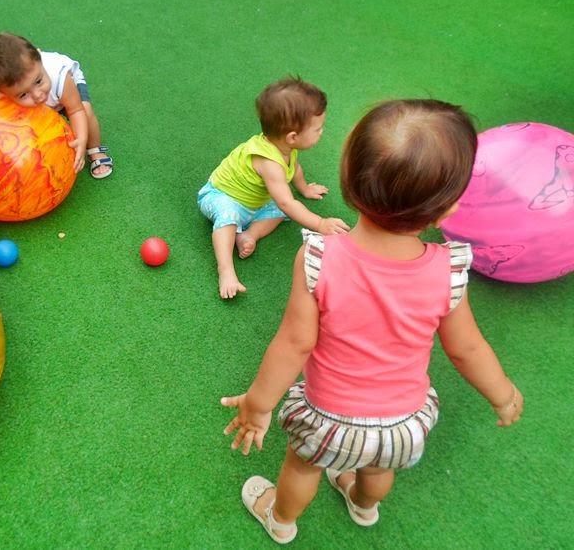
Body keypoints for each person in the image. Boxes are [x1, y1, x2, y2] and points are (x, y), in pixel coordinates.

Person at [221, 99, 524, 544]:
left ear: (349, 177)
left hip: (328, 417)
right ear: (446, 210)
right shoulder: (450, 270)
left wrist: (259, 403)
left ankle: (280, 518)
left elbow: (294, 343)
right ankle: (364, 506)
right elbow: (467, 349)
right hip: (404, 422)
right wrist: (502, 394)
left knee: (303, 465)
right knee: (378, 468)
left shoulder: (320, 258)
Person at [197, 77, 349, 299]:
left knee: (279, 213)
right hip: (221, 197)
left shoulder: (286, 149)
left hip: (254, 203)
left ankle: (249, 235)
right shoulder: (269, 162)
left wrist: (304, 188)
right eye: (318, 129)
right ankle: (226, 270)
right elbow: (287, 202)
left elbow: (294, 169)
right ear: (293, 137)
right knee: (231, 216)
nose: (321, 132)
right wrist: (320, 223)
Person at [0, 32, 113, 179]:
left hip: (65, 92)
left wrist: (81, 139)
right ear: (0, 90)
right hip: (46, 93)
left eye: (38, 81)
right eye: (23, 94)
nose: (37, 95)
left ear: (40, 57)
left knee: (85, 111)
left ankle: (95, 150)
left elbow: (76, 110)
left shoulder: (60, 78)